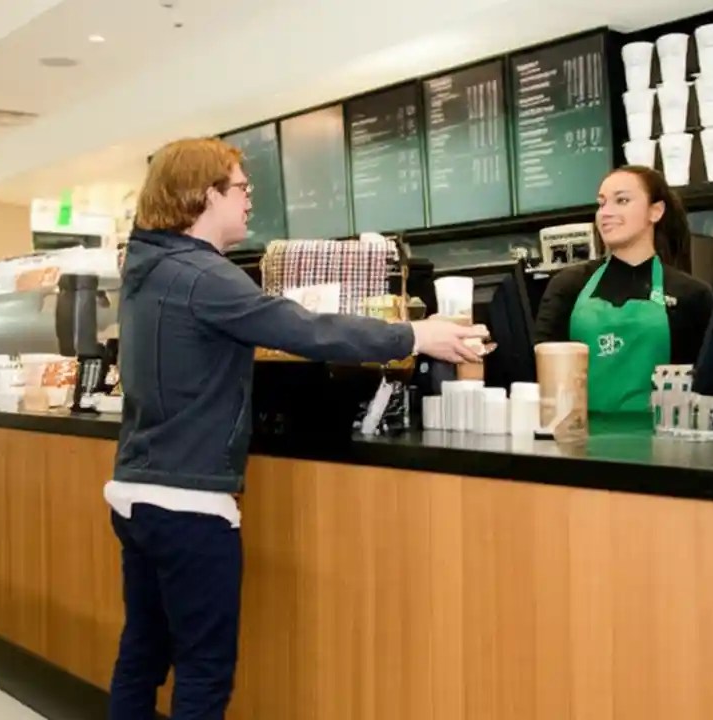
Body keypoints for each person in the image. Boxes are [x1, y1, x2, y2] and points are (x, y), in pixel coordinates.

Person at [106, 137, 487, 720]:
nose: (249, 201)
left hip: (136, 492)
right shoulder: (203, 274)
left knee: (143, 652)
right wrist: (414, 335)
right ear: (206, 195)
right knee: (204, 673)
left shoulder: (147, 267)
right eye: (241, 188)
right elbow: (303, 329)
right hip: (188, 500)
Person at [533, 165, 713, 418]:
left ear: (655, 211)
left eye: (622, 201)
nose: (606, 212)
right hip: (580, 444)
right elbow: (539, 371)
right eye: (602, 203)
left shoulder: (691, 294)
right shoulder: (569, 285)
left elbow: (709, 384)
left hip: (665, 449)